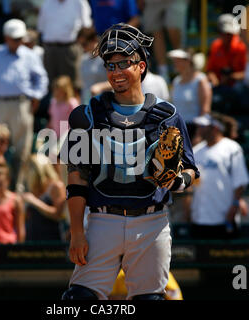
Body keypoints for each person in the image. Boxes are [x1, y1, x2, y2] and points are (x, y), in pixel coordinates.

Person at [61, 23, 199, 300]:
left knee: (150, 298)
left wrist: (177, 181)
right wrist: (77, 231)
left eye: (124, 63)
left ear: (141, 66)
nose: (116, 72)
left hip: (152, 220)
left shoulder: (167, 115)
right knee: (78, 299)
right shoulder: (87, 114)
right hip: (102, 219)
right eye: (110, 66)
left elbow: (191, 169)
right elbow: (76, 178)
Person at [0, 18, 49, 192]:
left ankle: (17, 187)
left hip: (22, 104)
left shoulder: (30, 55)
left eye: (20, 38)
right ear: (6, 38)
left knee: (22, 149)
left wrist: (35, 96)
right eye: (14, 38)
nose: (18, 42)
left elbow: (41, 78)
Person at [189, 113, 249, 239]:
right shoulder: (196, 151)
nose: (199, 129)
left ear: (215, 128)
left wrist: (234, 206)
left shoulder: (232, 148)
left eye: (203, 126)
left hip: (224, 217)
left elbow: (240, 181)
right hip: (199, 217)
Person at [37, 0, 92, 91]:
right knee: (51, 86)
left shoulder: (79, 2)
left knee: (73, 85)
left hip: (69, 48)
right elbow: (41, 27)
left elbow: (86, 25)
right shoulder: (47, 3)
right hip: (50, 49)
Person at [168, 48, 212, 144]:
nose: (175, 64)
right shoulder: (176, 81)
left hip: (194, 129)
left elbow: (205, 109)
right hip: (178, 129)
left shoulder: (201, 80)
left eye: (178, 61)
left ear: (188, 61)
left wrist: (199, 134)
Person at [140, 0, 189, 82]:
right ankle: (163, 72)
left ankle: (180, 67)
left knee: (173, 29)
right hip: (151, 3)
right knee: (156, 33)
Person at [22, 153, 66, 241]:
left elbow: (58, 214)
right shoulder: (34, 189)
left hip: (50, 241)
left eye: (31, 167)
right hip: (32, 239)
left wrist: (34, 202)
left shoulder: (56, 186)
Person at [207, 14, 247, 88]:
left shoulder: (242, 47)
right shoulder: (215, 46)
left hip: (237, 86)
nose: (227, 36)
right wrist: (214, 80)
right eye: (224, 33)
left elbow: (247, 74)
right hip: (218, 85)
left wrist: (230, 77)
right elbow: (210, 70)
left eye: (230, 34)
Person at [0, 163, 25, 244]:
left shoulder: (16, 200)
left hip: (9, 245)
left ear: (8, 181)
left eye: (0, 184)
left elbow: (20, 229)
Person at [47, 76, 79, 140]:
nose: (56, 93)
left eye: (59, 91)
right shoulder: (53, 102)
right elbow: (52, 119)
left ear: (66, 92)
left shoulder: (72, 103)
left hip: (68, 137)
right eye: (55, 90)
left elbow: (77, 122)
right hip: (56, 136)